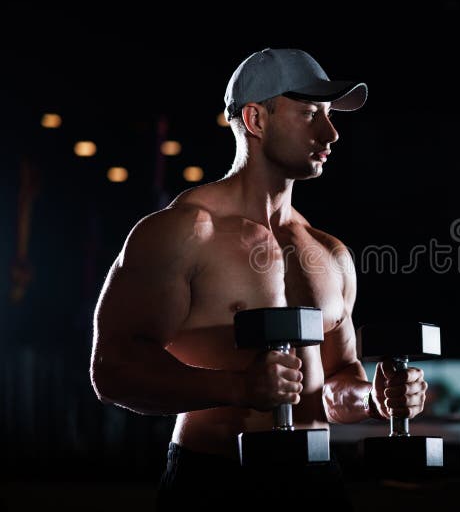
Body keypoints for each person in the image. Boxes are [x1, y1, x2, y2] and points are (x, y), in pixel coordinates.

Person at [89, 48, 428, 509]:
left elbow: (337, 384)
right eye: (310, 113)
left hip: (318, 483)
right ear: (255, 119)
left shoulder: (330, 252)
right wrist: (239, 388)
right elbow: (113, 371)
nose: (330, 132)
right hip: (216, 481)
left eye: (329, 116)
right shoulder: (183, 232)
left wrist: (376, 397)